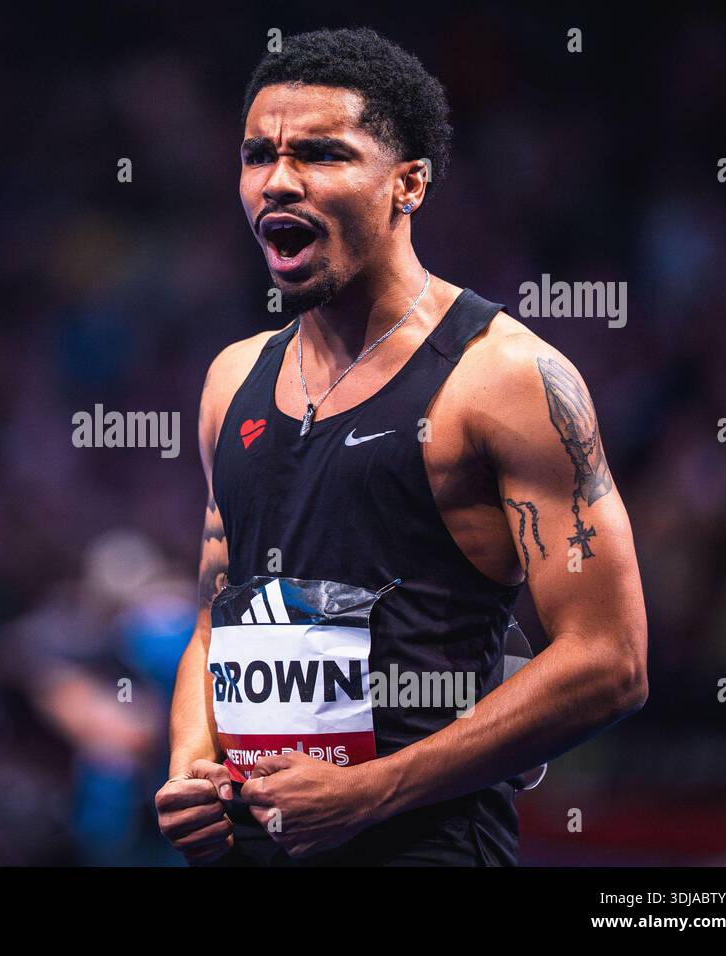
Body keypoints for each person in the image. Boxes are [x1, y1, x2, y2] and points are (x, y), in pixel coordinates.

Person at [154, 27, 648, 866]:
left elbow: (611, 659)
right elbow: (216, 616)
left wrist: (370, 791)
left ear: (408, 183)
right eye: (257, 154)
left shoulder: (505, 378)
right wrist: (190, 764)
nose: (278, 181)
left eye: (320, 154)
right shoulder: (231, 380)